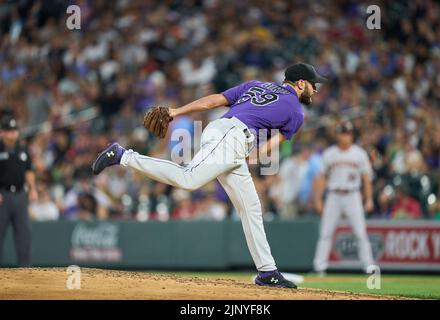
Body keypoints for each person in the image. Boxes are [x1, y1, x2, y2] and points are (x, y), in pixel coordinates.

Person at [92, 62, 327, 288]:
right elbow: (276, 141)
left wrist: (176, 111)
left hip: (226, 135)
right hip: (232, 139)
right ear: (300, 83)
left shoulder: (256, 85)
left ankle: (267, 272)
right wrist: (253, 154)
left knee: (251, 208)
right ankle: (123, 155)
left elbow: (214, 100)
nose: (316, 88)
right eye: (313, 84)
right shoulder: (296, 109)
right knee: (189, 179)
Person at [312, 122, 374, 275]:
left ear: (352, 135)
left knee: (360, 233)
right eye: (343, 133)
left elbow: (366, 179)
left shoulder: (359, 154)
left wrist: (369, 198)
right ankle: (319, 267)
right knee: (325, 233)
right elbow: (321, 178)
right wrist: (318, 200)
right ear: (338, 135)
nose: (346, 136)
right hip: (333, 195)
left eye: (348, 133)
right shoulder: (329, 153)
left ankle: (369, 267)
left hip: (353, 195)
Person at [0, 116, 38, 267]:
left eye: (14, 130)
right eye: (9, 131)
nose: (12, 134)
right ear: (2, 132)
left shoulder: (23, 149)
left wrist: (33, 189)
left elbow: (29, 171)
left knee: (24, 235)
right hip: (3, 196)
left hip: (21, 195)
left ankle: (25, 271)